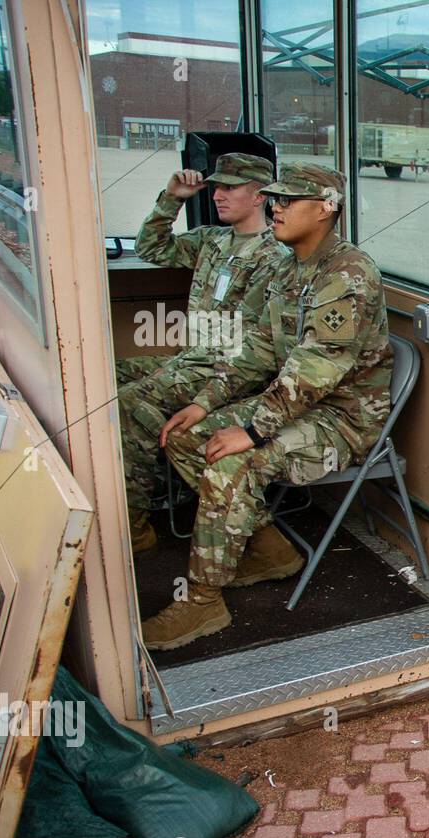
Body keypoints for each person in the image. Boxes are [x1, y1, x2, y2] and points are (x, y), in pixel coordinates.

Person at [138, 163, 392, 652]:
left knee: (232, 461)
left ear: (324, 209)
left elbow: (313, 373)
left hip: (342, 420)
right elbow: (256, 348)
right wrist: (203, 402)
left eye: (288, 200)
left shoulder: (347, 275)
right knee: (189, 437)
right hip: (298, 404)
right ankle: (271, 547)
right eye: (272, 198)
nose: (275, 207)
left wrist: (251, 432)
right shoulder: (288, 266)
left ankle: (202, 601)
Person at [119, 153, 283, 552]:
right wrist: (173, 198)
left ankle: (136, 523)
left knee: (130, 402)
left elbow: (258, 348)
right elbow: (150, 248)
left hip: (228, 370)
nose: (218, 196)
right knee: (114, 373)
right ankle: (150, 486)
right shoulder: (213, 240)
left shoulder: (274, 256)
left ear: (260, 194)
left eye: (230, 188)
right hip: (190, 358)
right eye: (216, 187)